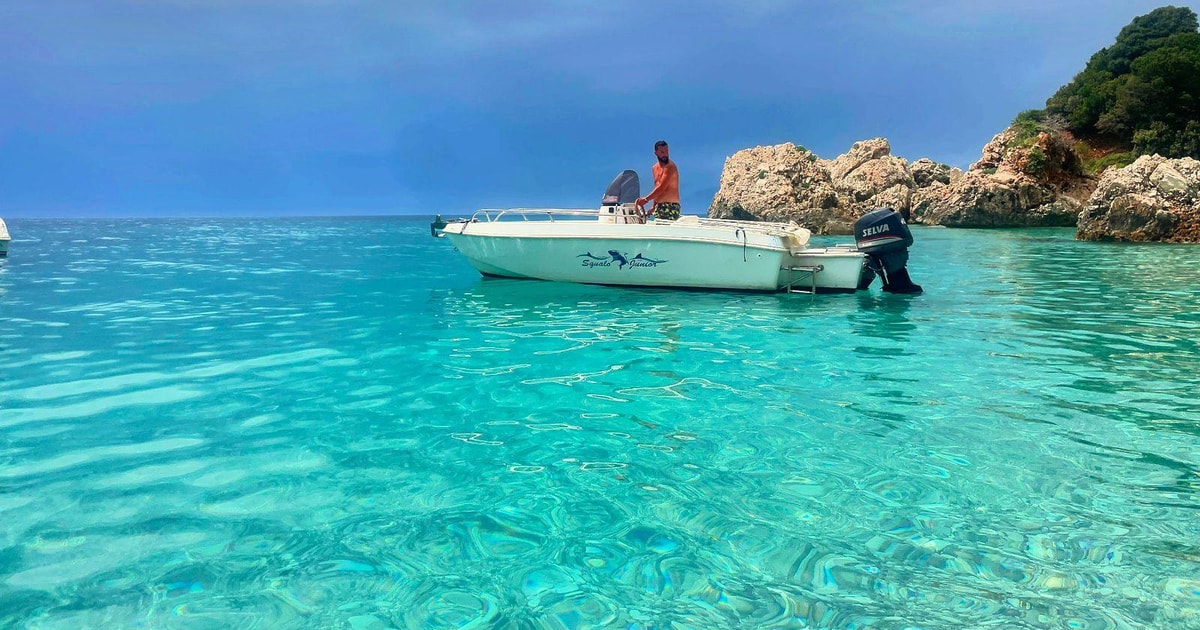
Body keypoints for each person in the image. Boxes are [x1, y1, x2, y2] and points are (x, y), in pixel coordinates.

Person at [636, 140, 681, 221]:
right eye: (662, 152)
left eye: (667, 151)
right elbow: (657, 187)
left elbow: (662, 187)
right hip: (659, 206)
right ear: (656, 153)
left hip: (670, 206)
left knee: (665, 228)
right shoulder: (655, 168)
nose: (665, 154)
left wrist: (646, 200)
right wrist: (654, 206)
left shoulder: (670, 166)